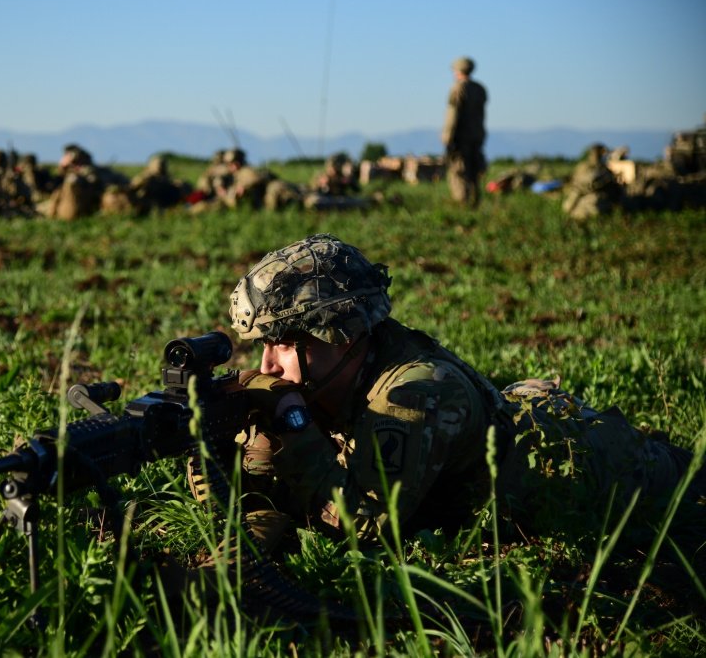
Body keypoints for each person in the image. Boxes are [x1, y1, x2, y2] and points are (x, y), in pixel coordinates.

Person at [207, 234, 703, 549]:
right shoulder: (337, 374)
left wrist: (294, 425)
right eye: (262, 346)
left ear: (344, 334)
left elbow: (367, 526)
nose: (268, 365)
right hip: (502, 421)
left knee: (687, 480)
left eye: (286, 344)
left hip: (589, 467)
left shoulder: (416, 391)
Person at [441, 57, 487, 207]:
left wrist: (448, 137)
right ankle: (475, 202)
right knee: (474, 171)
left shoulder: (458, 89)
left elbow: (452, 115)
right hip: (477, 136)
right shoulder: (479, 89)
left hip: (460, 138)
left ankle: (463, 205)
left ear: (458, 71)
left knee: (459, 172)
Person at [562, 143, 623, 220]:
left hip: (586, 210)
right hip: (596, 209)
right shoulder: (601, 171)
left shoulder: (585, 168)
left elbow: (576, 190)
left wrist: (568, 207)